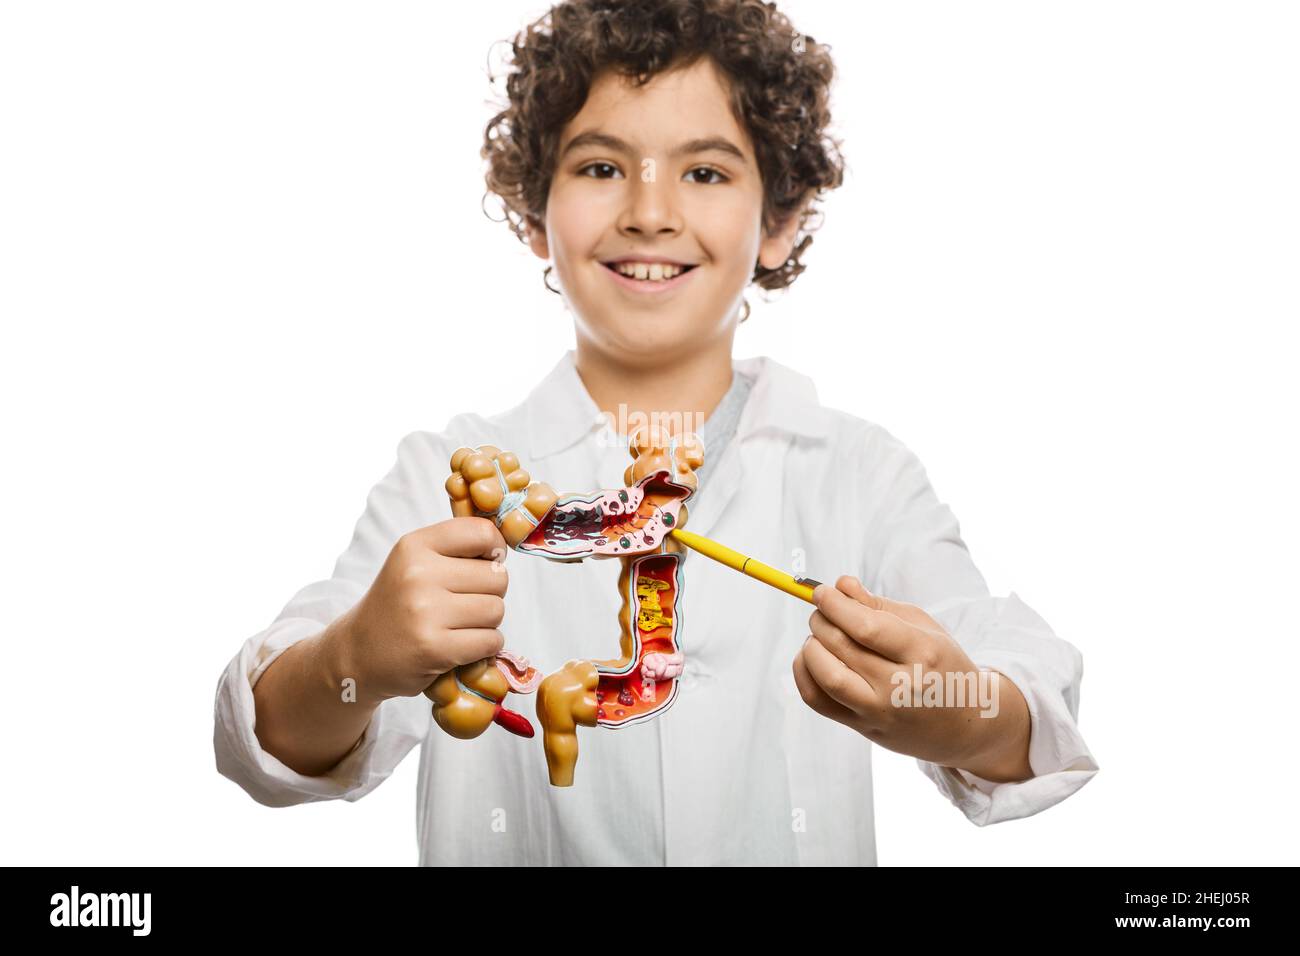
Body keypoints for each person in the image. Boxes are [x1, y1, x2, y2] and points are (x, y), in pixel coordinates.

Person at [213, 0, 1098, 865]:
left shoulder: (858, 475)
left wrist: (950, 708)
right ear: (534, 214)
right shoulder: (444, 475)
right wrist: (358, 657)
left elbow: (1030, 709)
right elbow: (271, 743)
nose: (649, 211)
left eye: (705, 172)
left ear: (779, 223)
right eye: (601, 168)